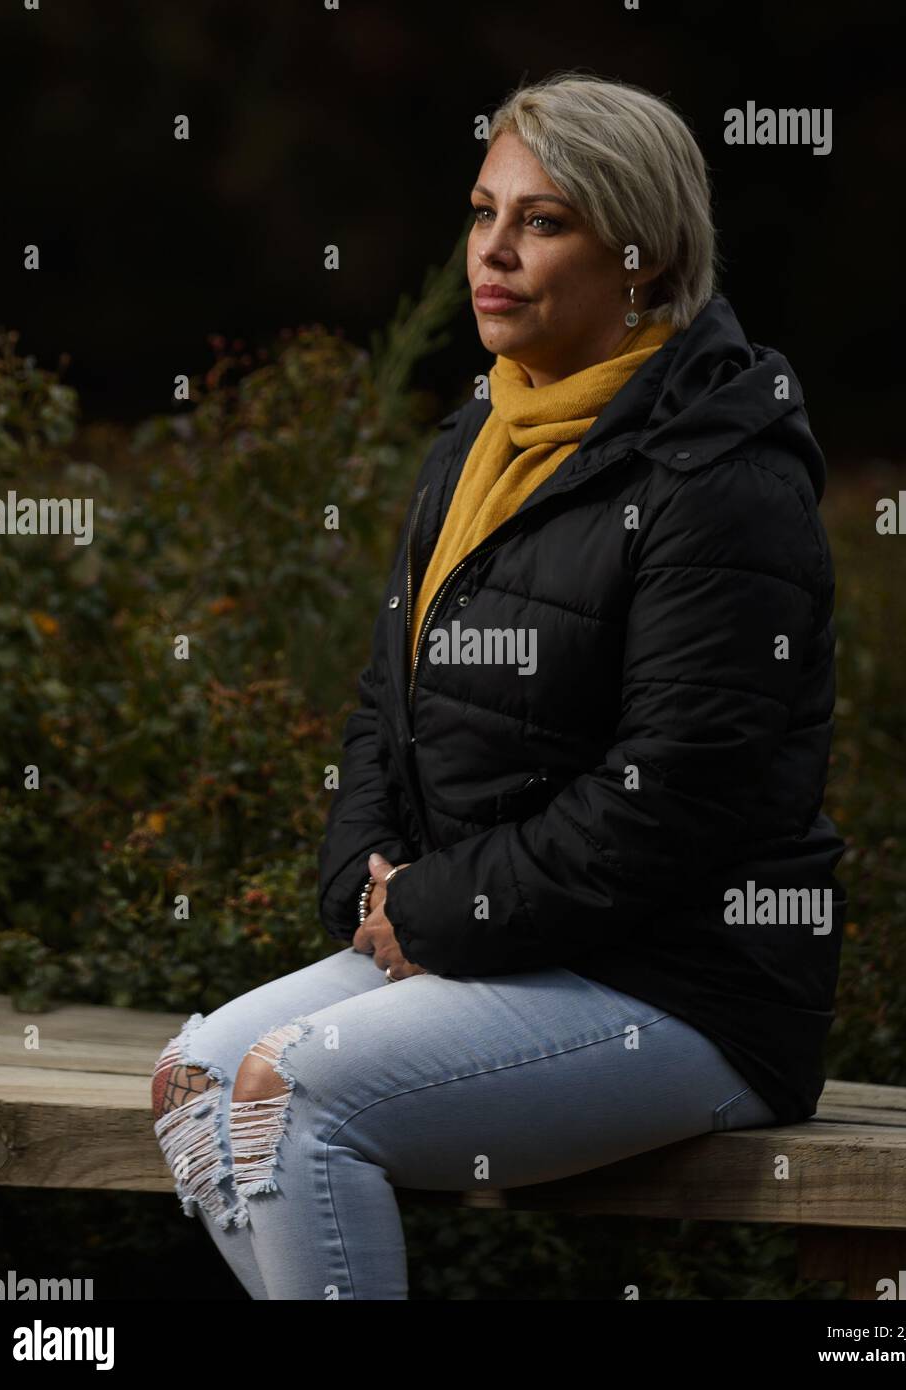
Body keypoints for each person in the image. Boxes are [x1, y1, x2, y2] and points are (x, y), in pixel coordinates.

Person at [151, 70, 847, 1300]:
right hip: (498, 946)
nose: (495, 252)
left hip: (681, 986)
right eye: (484, 213)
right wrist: (367, 880)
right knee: (196, 1077)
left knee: (286, 1095)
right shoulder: (479, 440)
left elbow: (677, 792)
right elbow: (388, 705)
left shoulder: (719, 471)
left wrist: (426, 912)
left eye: (544, 221)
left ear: (640, 252)